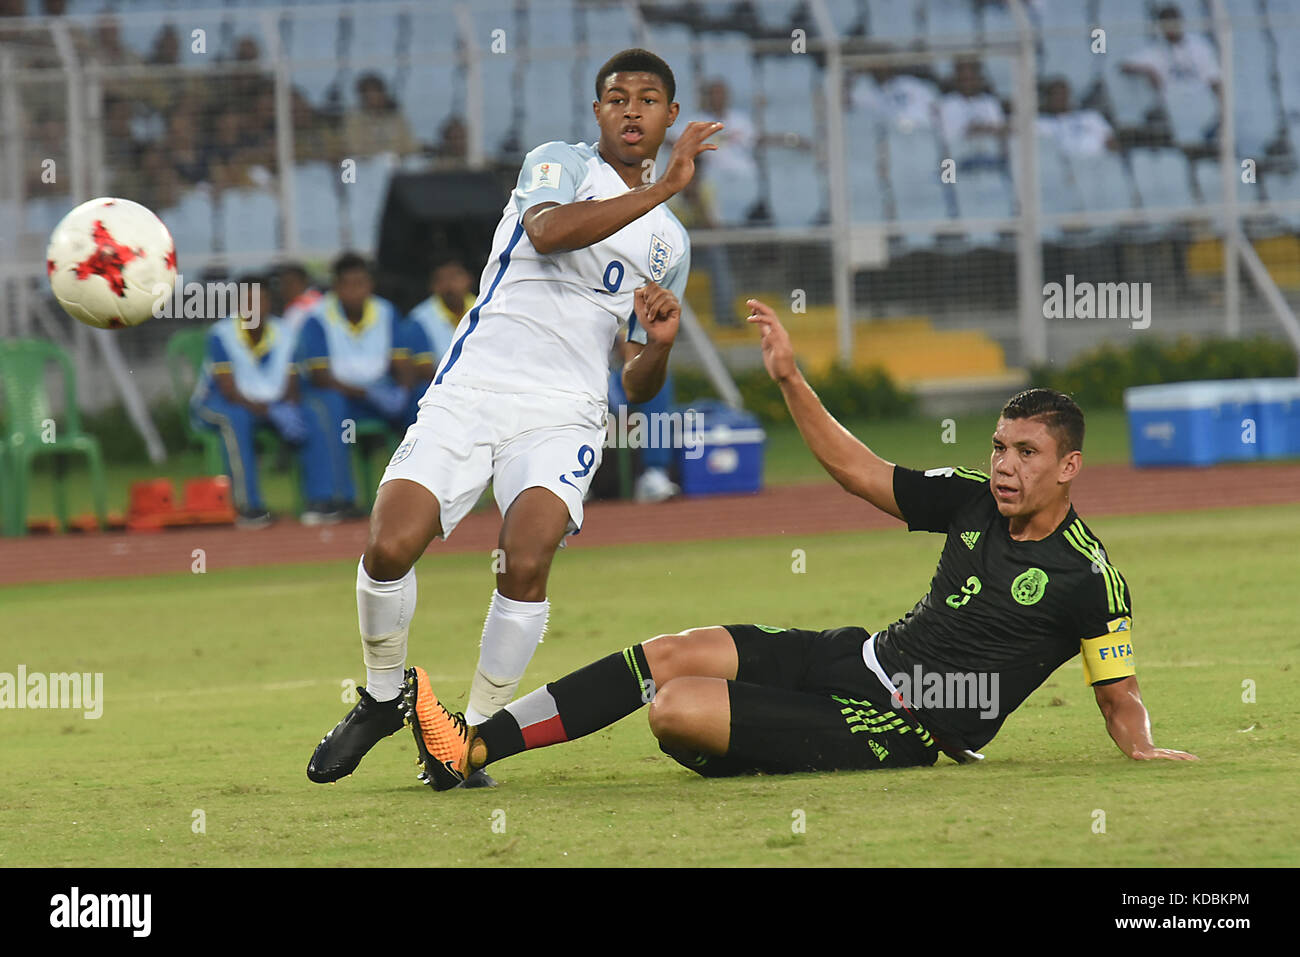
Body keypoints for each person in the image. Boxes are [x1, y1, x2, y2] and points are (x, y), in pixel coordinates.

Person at [398, 298, 1196, 789]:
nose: (1004, 465)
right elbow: (858, 469)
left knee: (673, 710)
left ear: (1070, 467)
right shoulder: (970, 498)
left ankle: (775, 738)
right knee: (671, 651)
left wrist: (1145, 751)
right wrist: (788, 377)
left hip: (906, 724)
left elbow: (1116, 692)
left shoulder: (1091, 576)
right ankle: (470, 745)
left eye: (1025, 453)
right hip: (859, 657)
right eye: (999, 446)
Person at [306, 47, 721, 787]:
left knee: (525, 559)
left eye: (648, 98)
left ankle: (466, 739)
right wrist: (664, 189)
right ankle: (379, 696)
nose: (631, 109)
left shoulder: (671, 246)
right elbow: (550, 233)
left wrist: (658, 346)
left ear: (671, 116)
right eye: (617, 97)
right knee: (390, 544)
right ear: (597, 113)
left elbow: (639, 382)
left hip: (565, 414)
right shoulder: (557, 162)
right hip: (474, 388)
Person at [190, 276, 332, 528]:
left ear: (269, 303)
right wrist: (271, 412)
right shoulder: (221, 334)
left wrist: (287, 407)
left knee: (311, 412)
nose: (254, 307)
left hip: (269, 406)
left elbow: (291, 380)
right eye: (248, 300)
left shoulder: (284, 332)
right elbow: (228, 390)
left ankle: (320, 501)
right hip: (218, 404)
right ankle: (248, 506)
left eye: (260, 300)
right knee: (236, 419)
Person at [296, 252, 417, 522]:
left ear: (370, 285)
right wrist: (369, 394)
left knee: (422, 403)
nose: (354, 290)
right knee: (331, 412)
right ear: (336, 287)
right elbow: (320, 376)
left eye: (360, 283)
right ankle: (332, 499)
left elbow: (402, 362)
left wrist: (403, 392)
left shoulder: (386, 312)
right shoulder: (317, 317)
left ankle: (423, 496)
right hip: (338, 395)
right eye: (347, 284)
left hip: (378, 394)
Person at [403, 259, 475, 424]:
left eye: (454, 277)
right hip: (441, 386)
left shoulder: (486, 308)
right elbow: (424, 369)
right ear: (433, 286)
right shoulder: (420, 318)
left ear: (468, 280)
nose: (449, 285)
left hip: (481, 384)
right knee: (422, 393)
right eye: (441, 280)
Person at [1121, 4, 1221, 98]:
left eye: (1174, 23)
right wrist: (1148, 71)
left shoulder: (1199, 46)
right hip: (1170, 105)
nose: (1171, 29)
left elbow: (1214, 79)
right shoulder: (1157, 50)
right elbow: (1125, 66)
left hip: (1200, 101)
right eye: (1167, 25)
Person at [1037, 77, 1117, 157]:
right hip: (1061, 165)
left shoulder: (1091, 117)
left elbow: (1112, 143)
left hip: (1097, 164)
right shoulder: (1040, 124)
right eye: (1054, 94)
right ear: (1047, 98)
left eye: (1062, 94)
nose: (1059, 98)